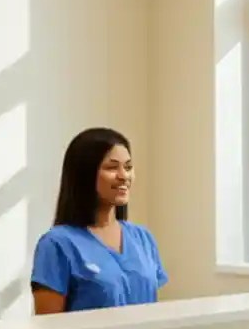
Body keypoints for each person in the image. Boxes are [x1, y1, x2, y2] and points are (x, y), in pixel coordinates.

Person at [31, 128, 167, 314]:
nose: (123, 176)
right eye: (112, 167)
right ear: (85, 174)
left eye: (128, 167)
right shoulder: (57, 245)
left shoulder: (142, 238)